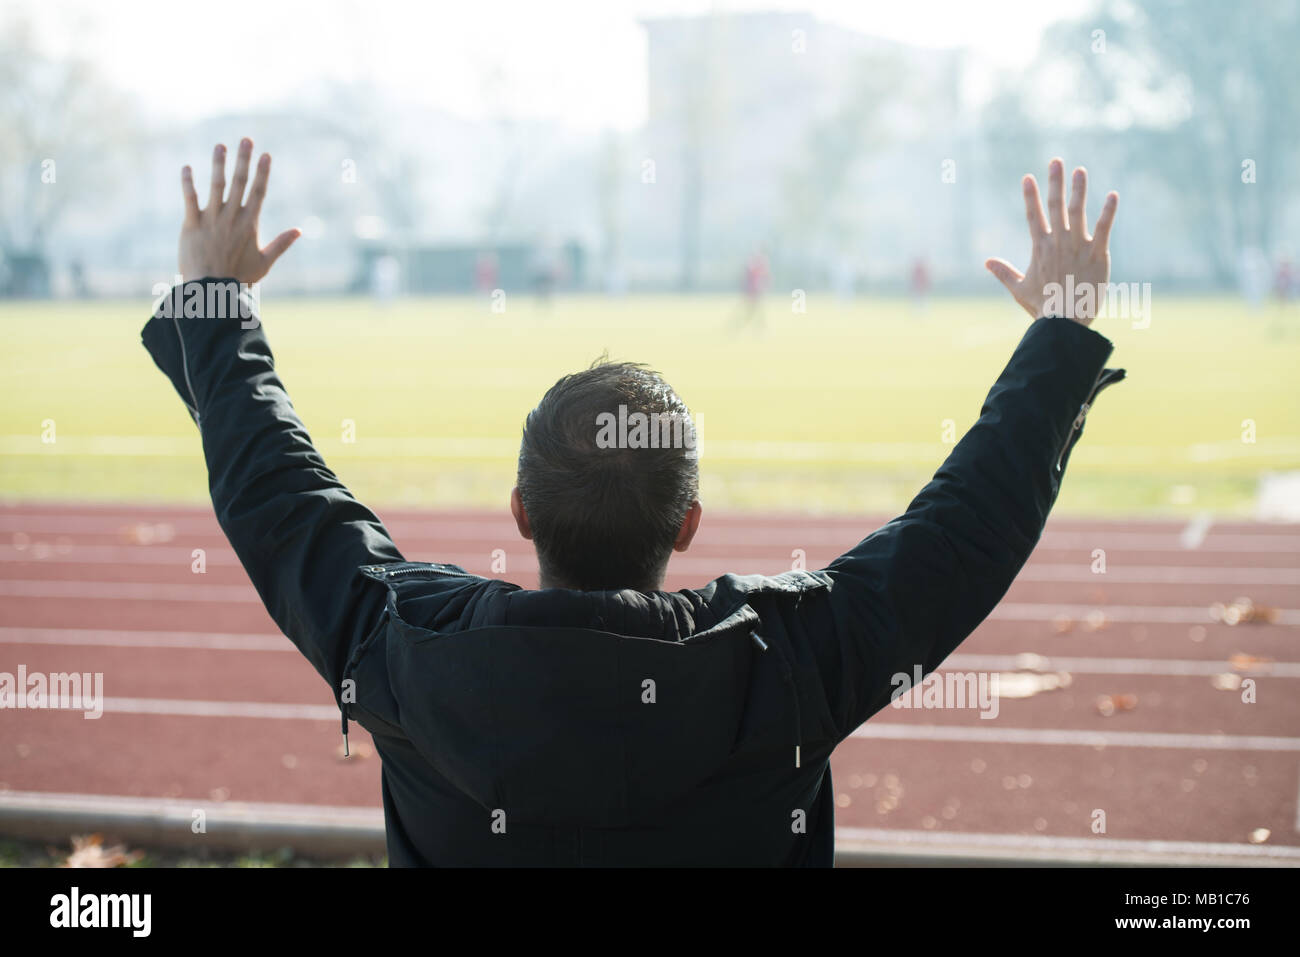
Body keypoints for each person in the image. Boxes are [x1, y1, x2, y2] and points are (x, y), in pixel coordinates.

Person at [143, 142, 1124, 866]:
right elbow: (966, 528)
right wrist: (1061, 331)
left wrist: (216, 297)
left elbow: (272, 486)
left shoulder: (406, 646)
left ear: (521, 511)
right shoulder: (784, 660)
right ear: (687, 523)